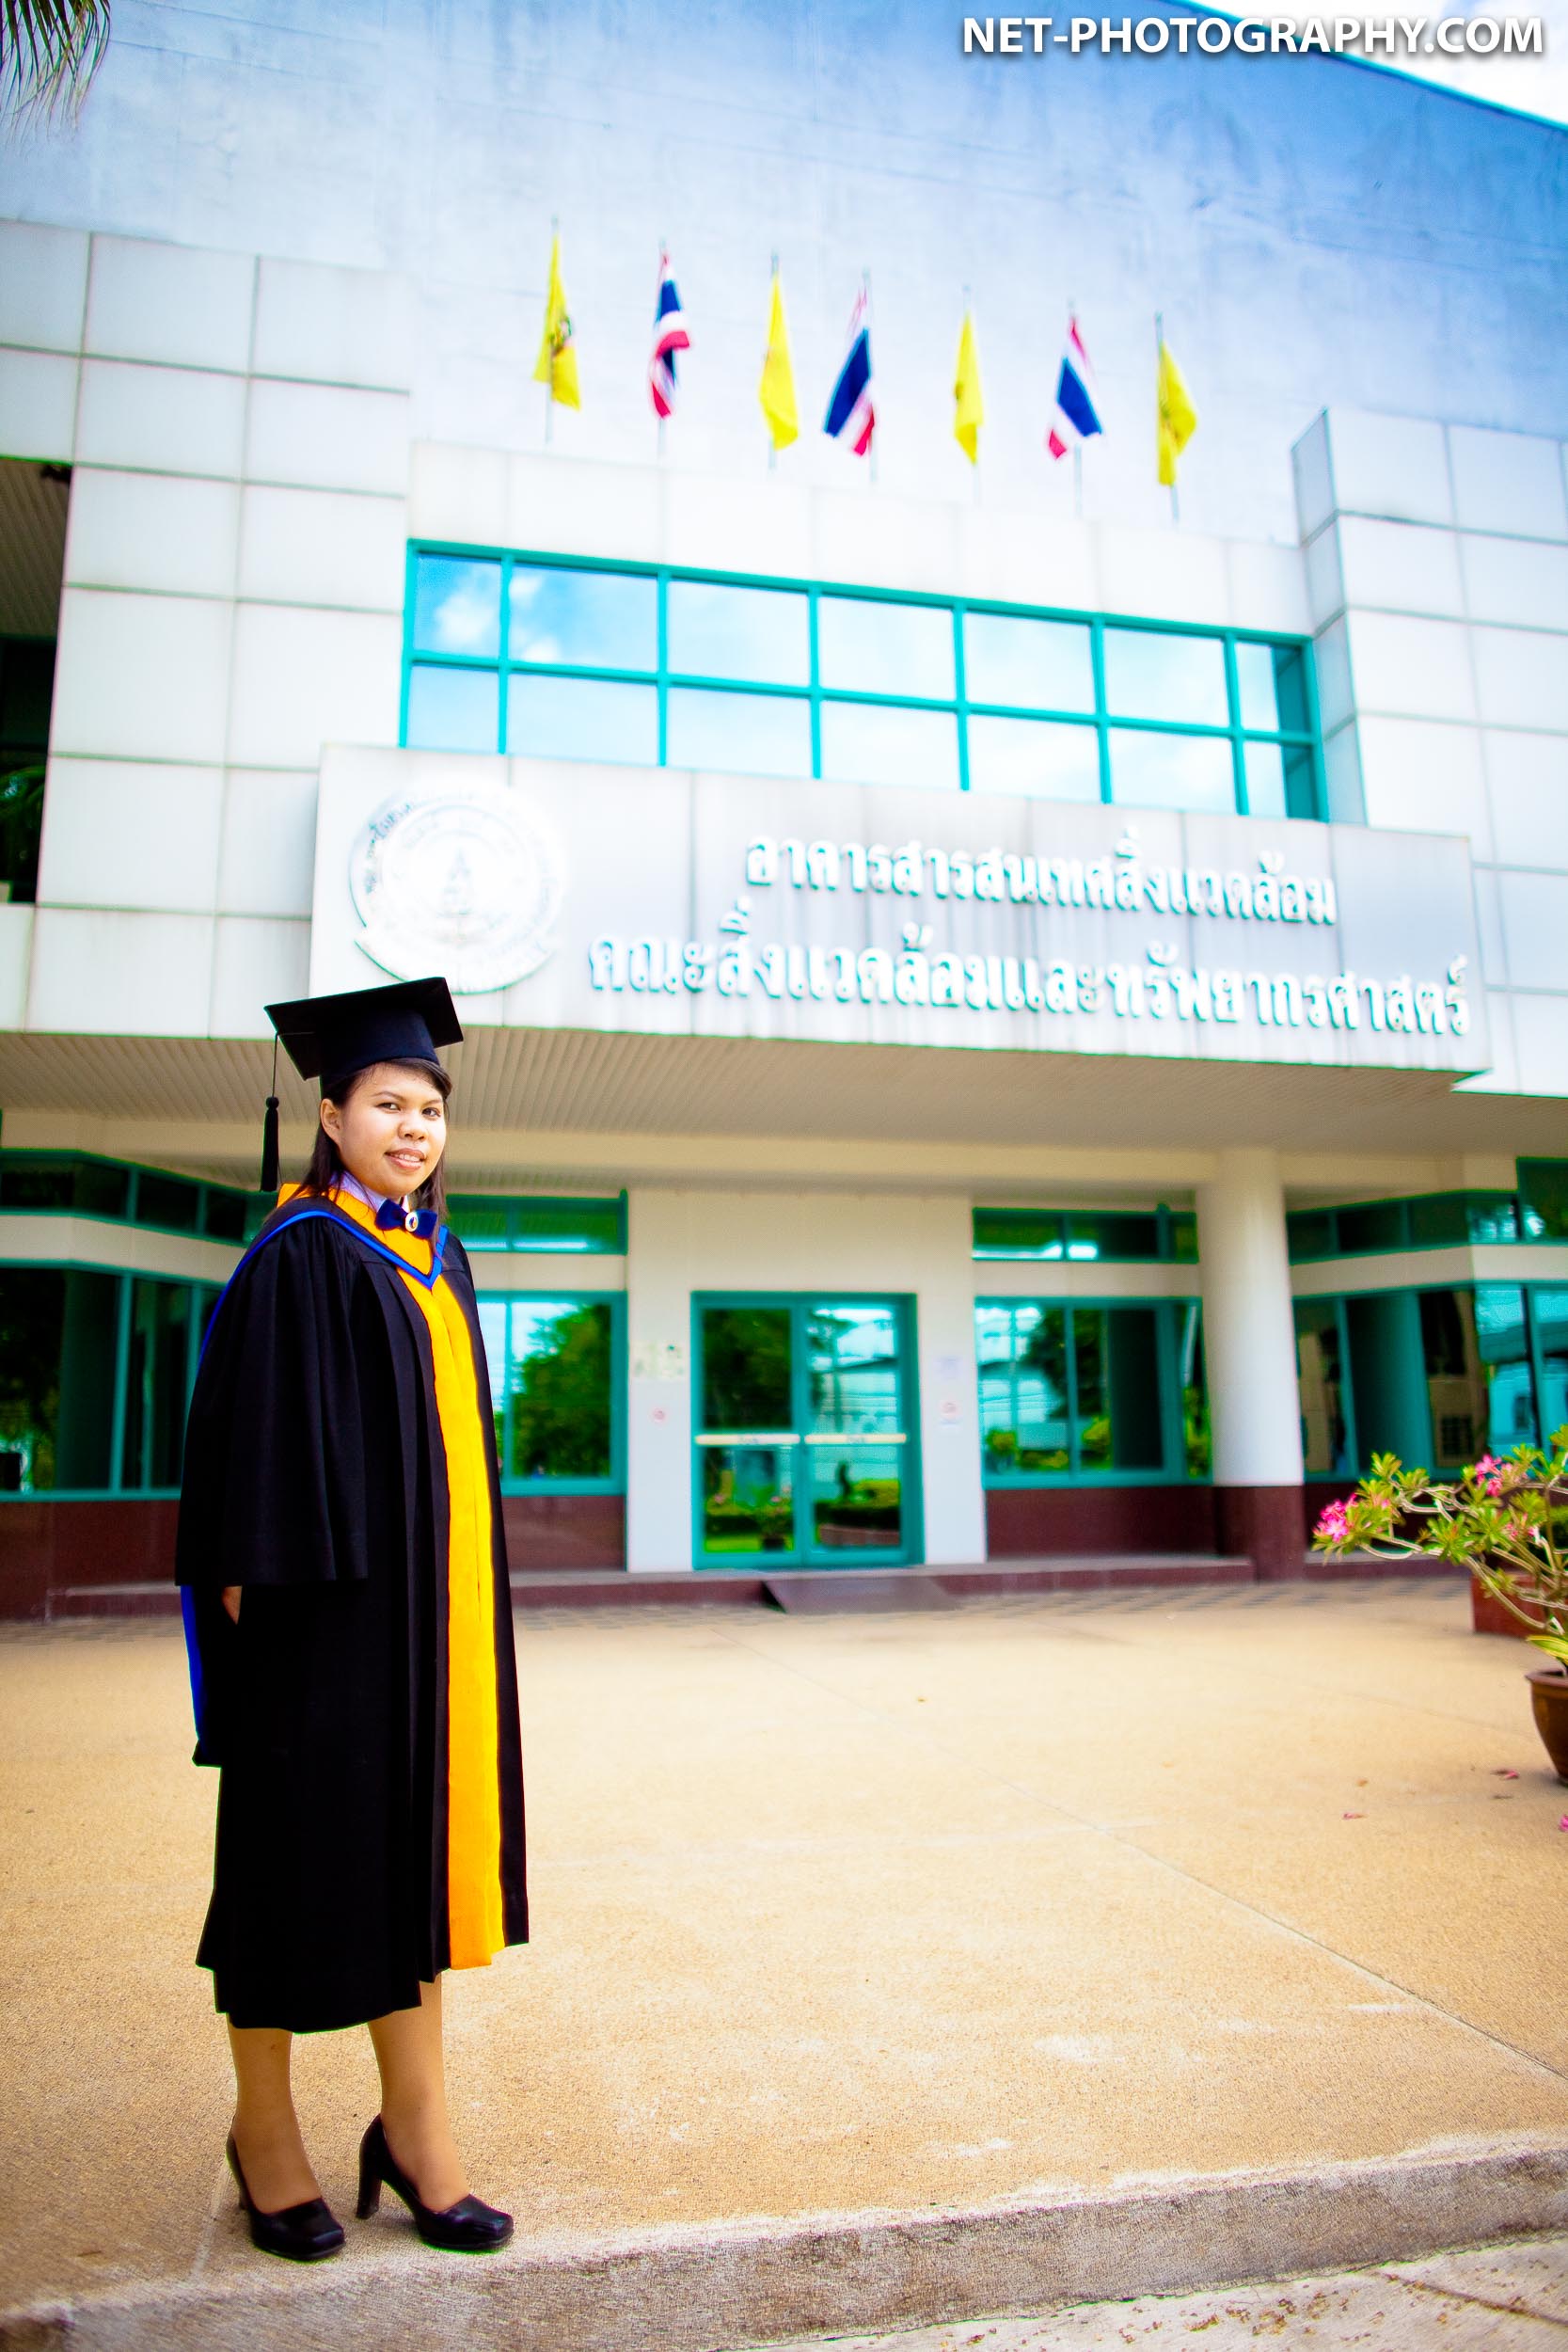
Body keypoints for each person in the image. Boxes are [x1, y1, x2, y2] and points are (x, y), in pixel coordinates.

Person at [176, 977, 528, 2262]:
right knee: (283, 1874)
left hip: (424, 1636)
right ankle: (262, 2133)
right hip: (314, 1628)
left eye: (429, 1106)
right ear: (332, 1117)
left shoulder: (441, 1256)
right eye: (388, 1102)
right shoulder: (302, 1251)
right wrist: (258, 1600)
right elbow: (245, 1445)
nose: (413, 1125)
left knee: (414, 1875)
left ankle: (417, 2131)